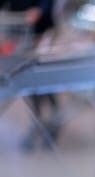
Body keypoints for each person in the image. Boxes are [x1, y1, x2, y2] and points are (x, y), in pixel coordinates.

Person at [0, 0, 58, 150]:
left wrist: (39, 10)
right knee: (32, 81)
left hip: (41, 32)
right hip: (18, 32)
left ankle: (50, 117)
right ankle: (42, 118)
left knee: (44, 78)